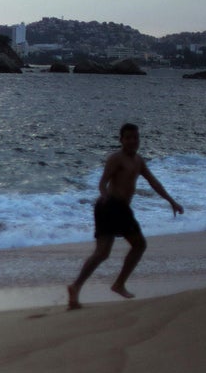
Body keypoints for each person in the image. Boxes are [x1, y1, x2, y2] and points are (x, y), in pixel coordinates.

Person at [67, 123, 184, 310]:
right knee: (121, 249)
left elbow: (154, 182)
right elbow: (102, 182)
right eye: (128, 137)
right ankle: (102, 285)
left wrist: (172, 201)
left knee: (112, 251)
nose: (132, 141)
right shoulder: (116, 158)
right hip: (110, 207)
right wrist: (105, 197)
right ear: (121, 140)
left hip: (120, 209)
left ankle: (79, 287)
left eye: (135, 137)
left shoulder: (138, 161)